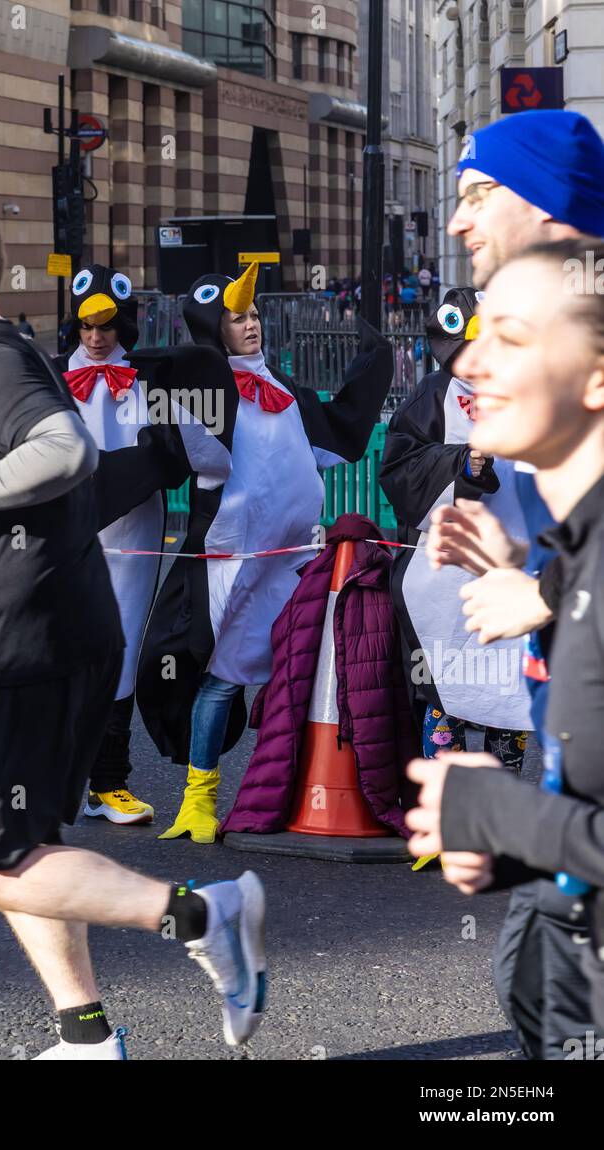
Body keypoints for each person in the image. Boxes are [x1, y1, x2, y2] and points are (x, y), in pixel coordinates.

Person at [0, 199, 267, 1061]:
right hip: (55, 636)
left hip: (16, 648)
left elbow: (65, 452)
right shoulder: (8, 353)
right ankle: (85, 1037)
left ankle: (204, 915)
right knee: (26, 848)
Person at [406, 239, 604, 1057]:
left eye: (511, 339)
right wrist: (516, 850)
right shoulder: (576, 549)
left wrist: (504, 813)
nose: (471, 363)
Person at [137, 261, 393, 842]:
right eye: (236, 319)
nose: (250, 325)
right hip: (237, 566)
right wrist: (192, 392)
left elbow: (332, 442)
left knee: (301, 677)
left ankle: (285, 790)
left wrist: (372, 365)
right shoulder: (208, 397)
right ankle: (198, 798)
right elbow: (206, 461)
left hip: (297, 561)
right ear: (214, 331)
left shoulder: (285, 387)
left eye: (253, 315)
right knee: (223, 679)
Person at [57, 263, 233, 827]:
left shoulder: (151, 382)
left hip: (132, 536)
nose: (95, 337)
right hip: (63, 535)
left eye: (106, 325)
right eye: (86, 326)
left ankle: (108, 782)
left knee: (123, 649)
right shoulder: (51, 381)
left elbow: (209, 454)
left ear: (125, 325)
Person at [380, 285, 532, 872]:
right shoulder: (431, 396)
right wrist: (462, 464)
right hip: (443, 576)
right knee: (443, 697)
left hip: (513, 573)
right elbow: (399, 466)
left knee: (509, 701)